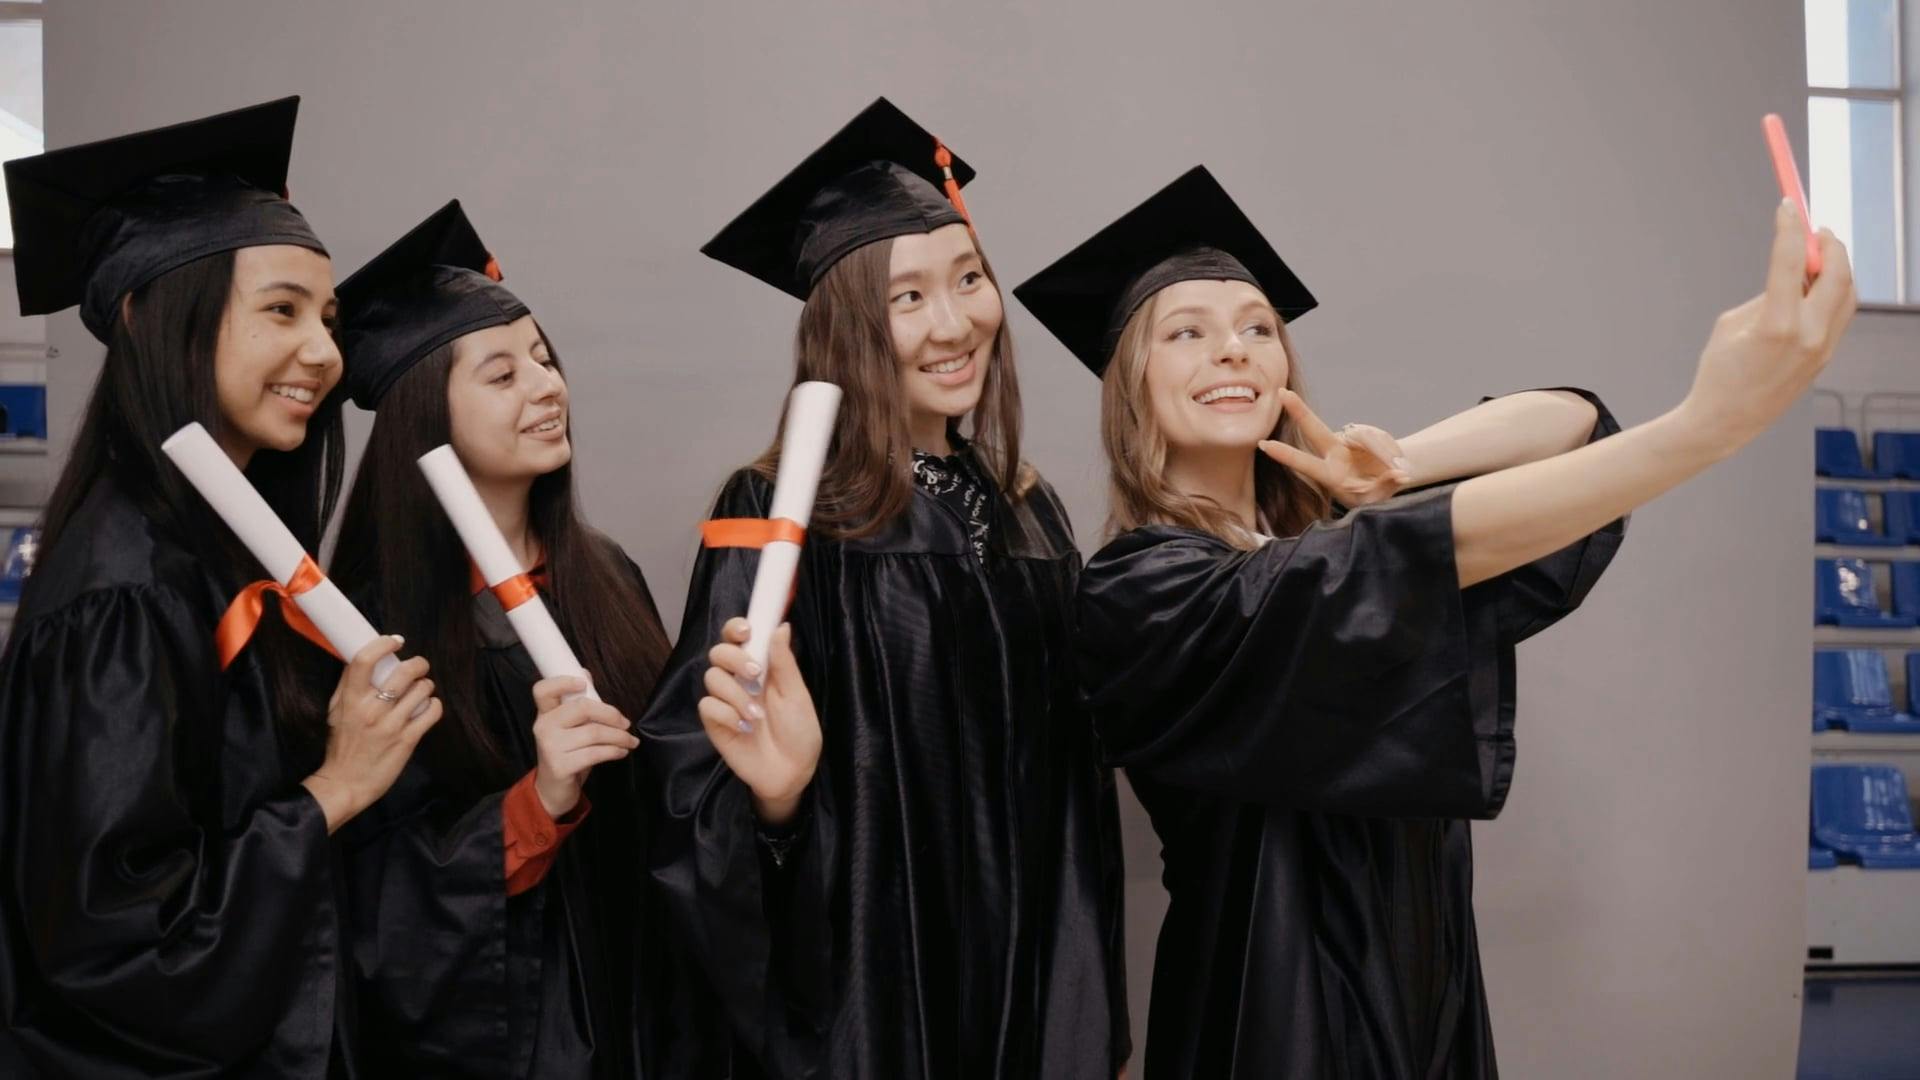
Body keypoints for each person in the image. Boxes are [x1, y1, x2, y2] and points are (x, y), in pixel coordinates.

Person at [1015, 164, 1855, 1078]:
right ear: (1129, 384)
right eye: (1188, 332)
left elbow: (1573, 427)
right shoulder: (1142, 591)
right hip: (1269, 1006)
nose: (1236, 350)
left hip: (1420, 979)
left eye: (1260, 328)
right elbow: (1378, 565)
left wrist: (1400, 463)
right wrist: (1703, 427)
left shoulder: (1334, 540)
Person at [641, 97, 1130, 1079]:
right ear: (850, 325)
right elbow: (689, 782)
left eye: (970, 279)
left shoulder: (1032, 513)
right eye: (908, 298)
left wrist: (1097, 1015)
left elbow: (1080, 800)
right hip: (876, 1000)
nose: (956, 322)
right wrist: (776, 806)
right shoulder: (781, 513)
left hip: (1035, 992)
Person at [0, 97, 440, 1077]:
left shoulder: (216, 550)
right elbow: (117, 943)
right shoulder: (123, 590)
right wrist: (336, 786)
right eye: (281, 310)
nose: (327, 354)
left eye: (327, 319)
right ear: (147, 313)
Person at [328, 200, 716, 1077]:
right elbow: (371, 904)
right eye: (502, 375)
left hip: (646, 1012)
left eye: (544, 360)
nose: (548, 387)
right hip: (511, 1038)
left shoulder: (605, 572)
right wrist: (536, 802)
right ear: (428, 413)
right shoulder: (370, 628)